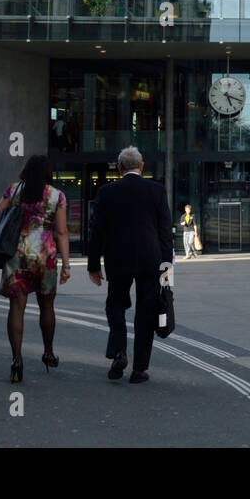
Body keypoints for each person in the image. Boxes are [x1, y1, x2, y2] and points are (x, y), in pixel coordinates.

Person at [87, 147, 174, 385]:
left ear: (119, 167)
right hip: (151, 260)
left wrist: (93, 265)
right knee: (146, 312)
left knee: (115, 305)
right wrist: (167, 268)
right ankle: (139, 369)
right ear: (142, 166)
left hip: (118, 260)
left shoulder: (106, 192)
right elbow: (166, 233)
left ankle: (119, 351)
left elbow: (97, 232)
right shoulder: (156, 191)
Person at [0, 154, 69, 383]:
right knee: (47, 306)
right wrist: (66, 265)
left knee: (17, 308)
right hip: (45, 257)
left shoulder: (14, 190)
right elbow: (62, 232)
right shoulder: (57, 196)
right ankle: (48, 351)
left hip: (16, 254)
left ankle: (17, 360)